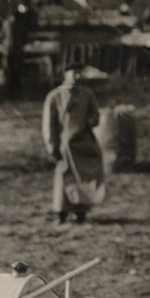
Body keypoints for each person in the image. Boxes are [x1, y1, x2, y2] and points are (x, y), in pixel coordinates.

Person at [41, 65, 105, 225]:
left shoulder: (87, 94)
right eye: (73, 72)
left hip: (84, 143)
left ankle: (80, 212)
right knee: (64, 177)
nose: (77, 76)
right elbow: (49, 124)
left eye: (79, 72)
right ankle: (61, 213)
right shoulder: (55, 96)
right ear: (65, 74)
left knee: (83, 177)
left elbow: (95, 115)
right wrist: (52, 147)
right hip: (64, 145)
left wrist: (88, 122)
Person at [8, 0, 36, 92]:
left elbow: (33, 25)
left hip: (19, 43)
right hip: (15, 44)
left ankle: (18, 84)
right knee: (14, 65)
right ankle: (14, 85)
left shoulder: (30, 12)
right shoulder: (15, 12)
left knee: (18, 65)